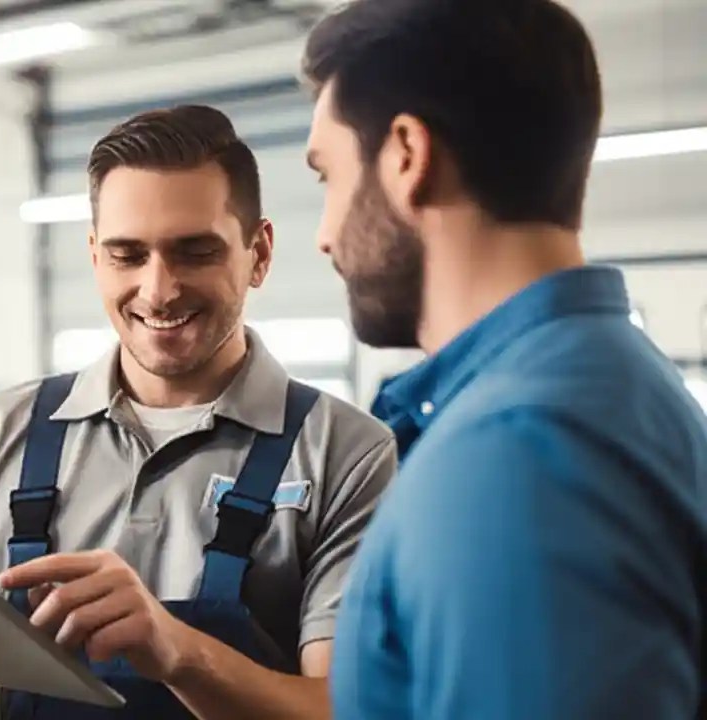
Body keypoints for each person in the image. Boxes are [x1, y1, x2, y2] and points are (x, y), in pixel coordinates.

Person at [0, 105, 397, 719]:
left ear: (259, 253)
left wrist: (176, 651)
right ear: (94, 256)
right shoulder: (1, 431)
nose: (159, 290)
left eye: (195, 252)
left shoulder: (347, 453)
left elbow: (347, 711)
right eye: (127, 254)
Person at [299, 0, 707, 717]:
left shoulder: (515, 451)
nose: (324, 235)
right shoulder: (613, 381)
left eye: (327, 177)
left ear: (405, 157)